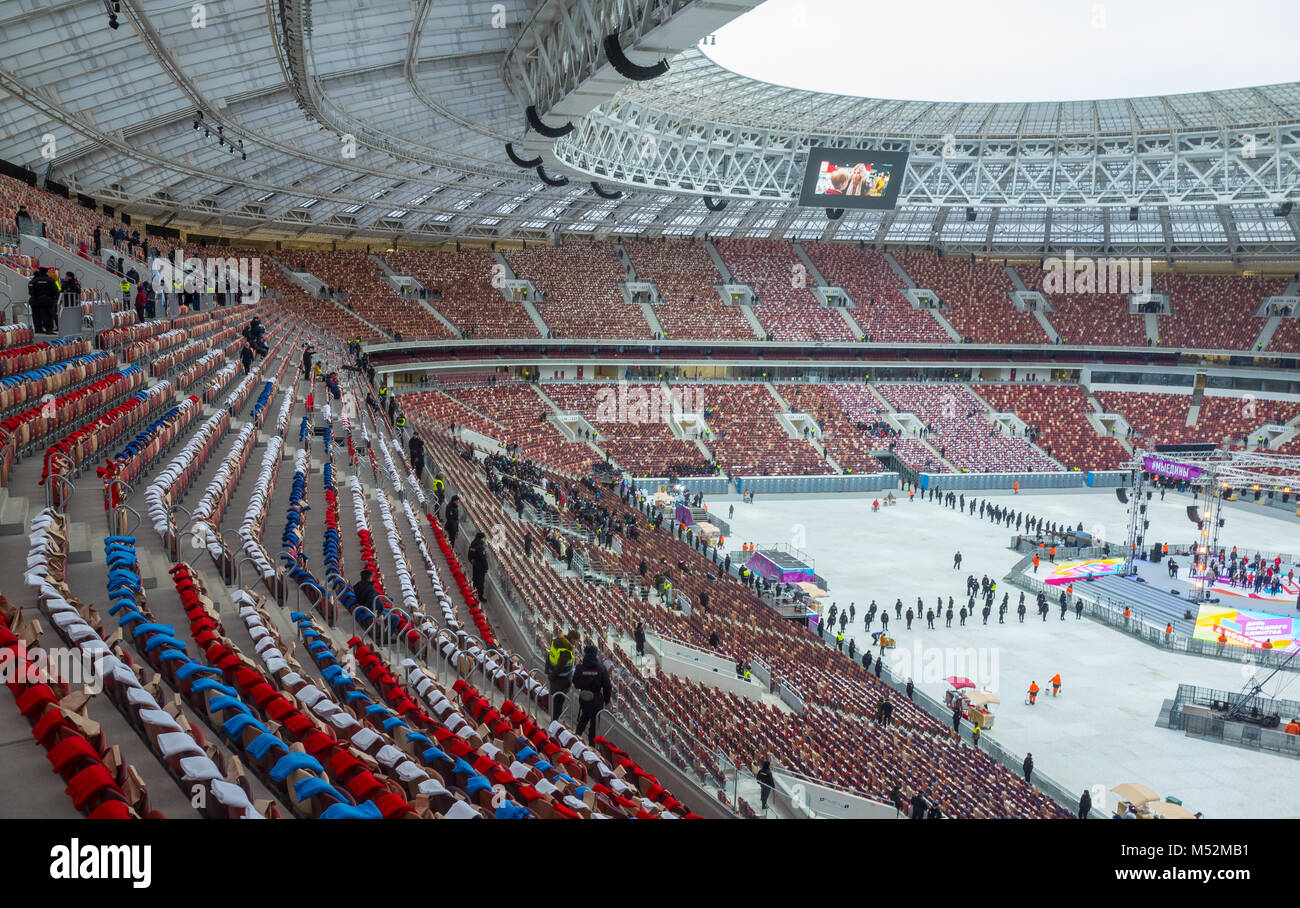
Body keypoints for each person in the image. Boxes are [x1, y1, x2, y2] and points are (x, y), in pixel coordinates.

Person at [571, 644, 611, 744]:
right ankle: (591, 746)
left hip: (584, 697)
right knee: (594, 724)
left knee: (583, 718)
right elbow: (607, 685)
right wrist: (607, 700)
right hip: (596, 699)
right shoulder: (601, 668)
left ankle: (576, 741)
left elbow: (575, 682)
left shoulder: (580, 667)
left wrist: (584, 686)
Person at [545, 629, 577, 720]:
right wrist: (551, 677)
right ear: (572, 639)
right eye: (576, 641)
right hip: (561, 681)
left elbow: (549, 656)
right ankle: (554, 723)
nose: (577, 644)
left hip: (553, 676)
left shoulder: (556, 641)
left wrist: (547, 672)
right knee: (558, 703)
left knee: (556, 702)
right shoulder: (567, 650)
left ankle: (554, 721)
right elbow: (560, 667)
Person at [27, 266, 60, 335]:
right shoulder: (50, 280)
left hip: (37, 300)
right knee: (49, 315)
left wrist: (36, 297)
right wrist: (56, 298)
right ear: (46, 272)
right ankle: (49, 329)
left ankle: (38, 329)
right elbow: (55, 291)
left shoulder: (34, 280)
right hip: (48, 300)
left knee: (37, 316)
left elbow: (31, 291)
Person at [467, 531, 489, 599]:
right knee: (480, 582)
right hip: (480, 567)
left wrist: (474, 563)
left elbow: (469, 556)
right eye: (483, 538)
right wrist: (486, 568)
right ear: (481, 538)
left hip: (475, 565)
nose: (483, 540)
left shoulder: (473, 544)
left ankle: (474, 593)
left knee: (475, 579)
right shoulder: (480, 547)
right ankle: (480, 596)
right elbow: (483, 559)